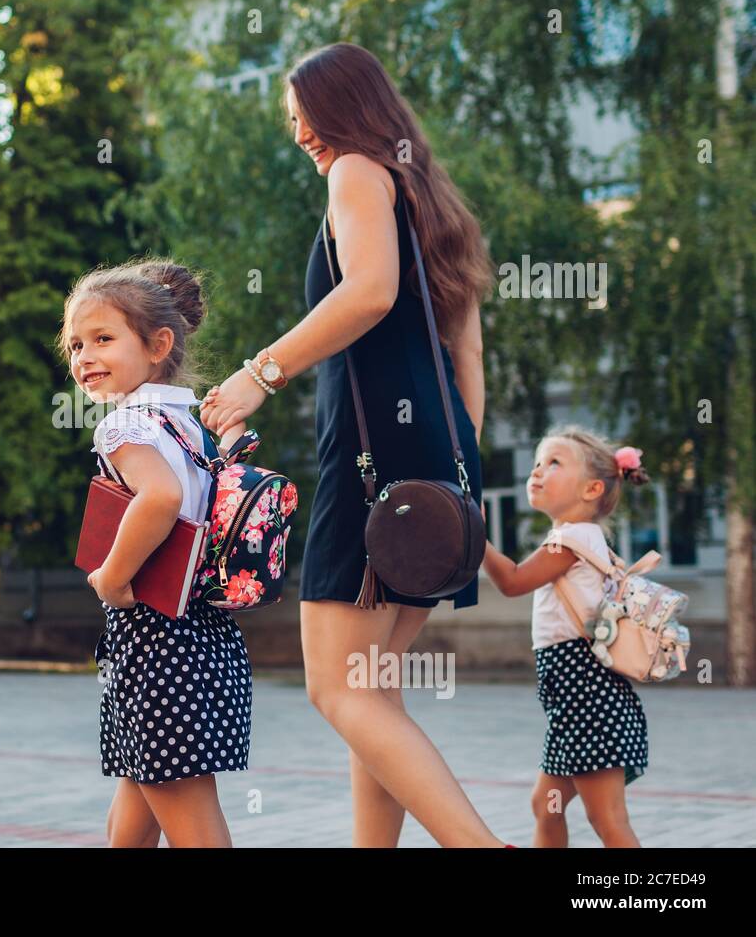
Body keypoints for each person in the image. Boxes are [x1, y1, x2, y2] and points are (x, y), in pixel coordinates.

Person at [199, 42, 508, 847]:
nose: (297, 130)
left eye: (302, 111)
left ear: (345, 107)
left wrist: (257, 375)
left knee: (337, 689)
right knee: (373, 687)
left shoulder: (356, 175)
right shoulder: (435, 206)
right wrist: (461, 470)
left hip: (376, 466)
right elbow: (467, 357)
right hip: (438, 465)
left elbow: (367, 293)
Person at [59, 257, 251, 847]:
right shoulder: (184, 424)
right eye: (74, 345)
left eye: (102, 339)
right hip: (200, 632)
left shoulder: (123, 427)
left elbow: (161, 498)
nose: (84, 356)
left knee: (189, 815)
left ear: (159, 343)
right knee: (135, 809)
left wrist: (113, 577)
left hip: (154, 637)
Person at [481, 427, 651, 848]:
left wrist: (474, 537)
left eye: (555, 463)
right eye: (538, 462)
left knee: (606, 818)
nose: (538, 471)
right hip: (575, 701)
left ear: (592, 489)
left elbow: (513, 581)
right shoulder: (580, 539)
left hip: (588, 700)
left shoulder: (573, 538)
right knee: (547, 805)